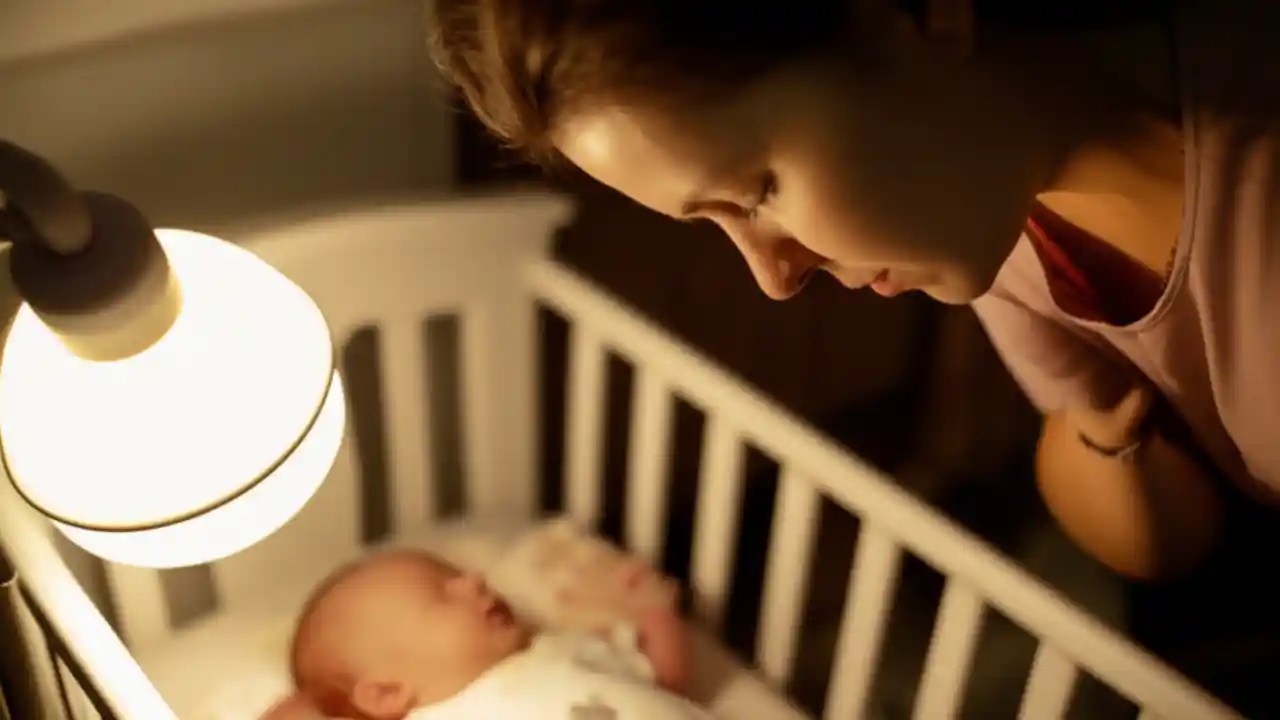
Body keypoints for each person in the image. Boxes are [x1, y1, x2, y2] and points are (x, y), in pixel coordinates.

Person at [425, 0, 1280, 713]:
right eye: (716, 221)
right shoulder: (995, 208)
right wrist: (1109, 419)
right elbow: (1158, 539)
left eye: (758, 191)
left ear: (922, 18)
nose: (775, 278)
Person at [286, 549, 704, 719]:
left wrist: (656, 614)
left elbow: (664, 682)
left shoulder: (559, 649)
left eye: (460, 576)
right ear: (386, 692)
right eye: (441, 596)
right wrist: (320, 699)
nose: (474, 581)